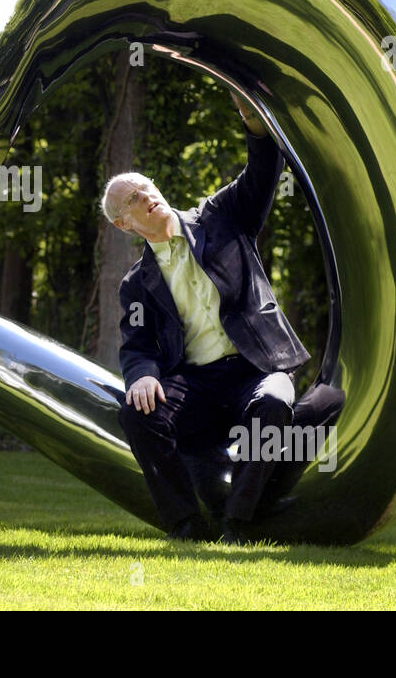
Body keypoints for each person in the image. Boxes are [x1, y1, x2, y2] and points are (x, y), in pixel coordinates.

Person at [102, 90, 311, 544]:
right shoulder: (136, 284)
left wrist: (253, 116)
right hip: (195, 384)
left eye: (146, 188)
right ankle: (186, 524)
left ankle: (238, 522)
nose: (146, 197)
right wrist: (140, 376)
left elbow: (262, 171)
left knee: (275, 401)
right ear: (124, 224)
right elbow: (137, 348)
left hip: (255, 367)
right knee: (138, 415)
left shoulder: (223, 217)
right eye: (133, 200)